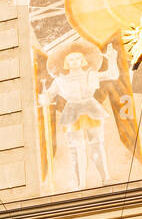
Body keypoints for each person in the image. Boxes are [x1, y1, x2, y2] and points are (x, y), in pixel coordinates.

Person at [40, 42, 119, 189]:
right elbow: (48, 95)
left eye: (77, 58)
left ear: (83, 60)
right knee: (76, 147)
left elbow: (113, 74)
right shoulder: (60, 80)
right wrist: (44, 97)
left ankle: (105, 178)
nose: (74, 61)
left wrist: (112, 58)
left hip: (91, 108)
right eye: (70, 59)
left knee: (97, 143)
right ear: (66, 63)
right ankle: (79, 184)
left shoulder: (91, 74)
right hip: (72, 111)